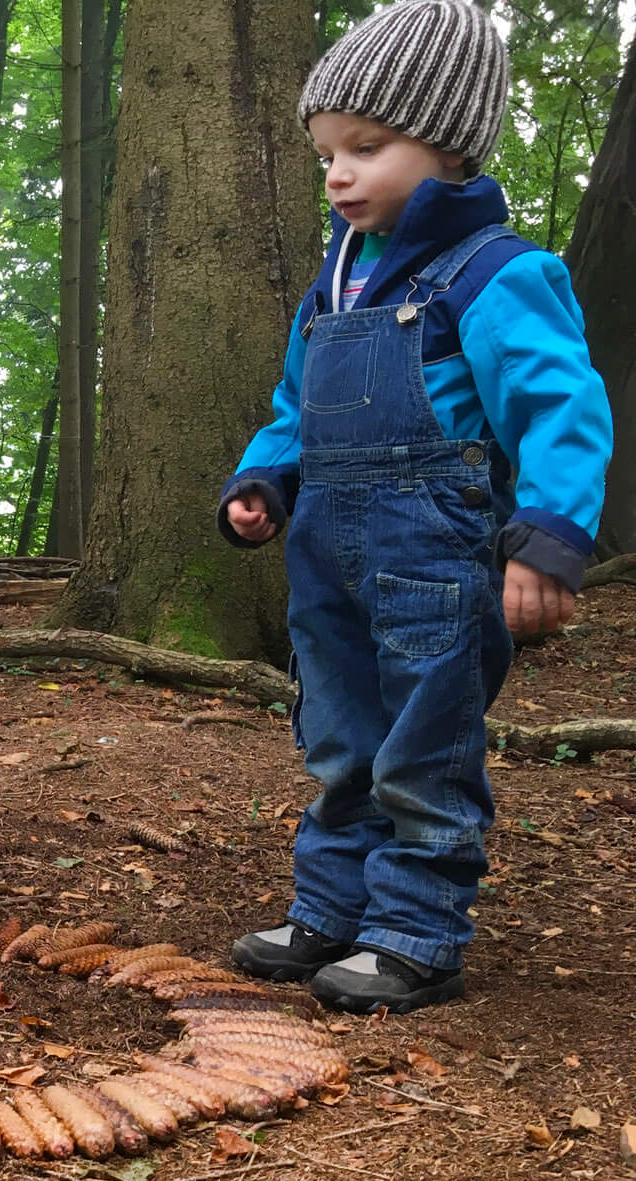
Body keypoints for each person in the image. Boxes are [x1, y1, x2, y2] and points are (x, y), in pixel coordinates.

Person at [218, 0, 612, 1015]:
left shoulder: (497, 273)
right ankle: (332, 909)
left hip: (434, 555)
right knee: (339, 736)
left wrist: (549, 537)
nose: (338, 174)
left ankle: (416, 931)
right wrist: (263, 481)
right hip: (327, 554)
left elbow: (561, 405)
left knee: (425, 745)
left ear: (448, 148)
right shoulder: (337, 282)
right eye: (326, 155)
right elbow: (297, 404)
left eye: (367, 147)